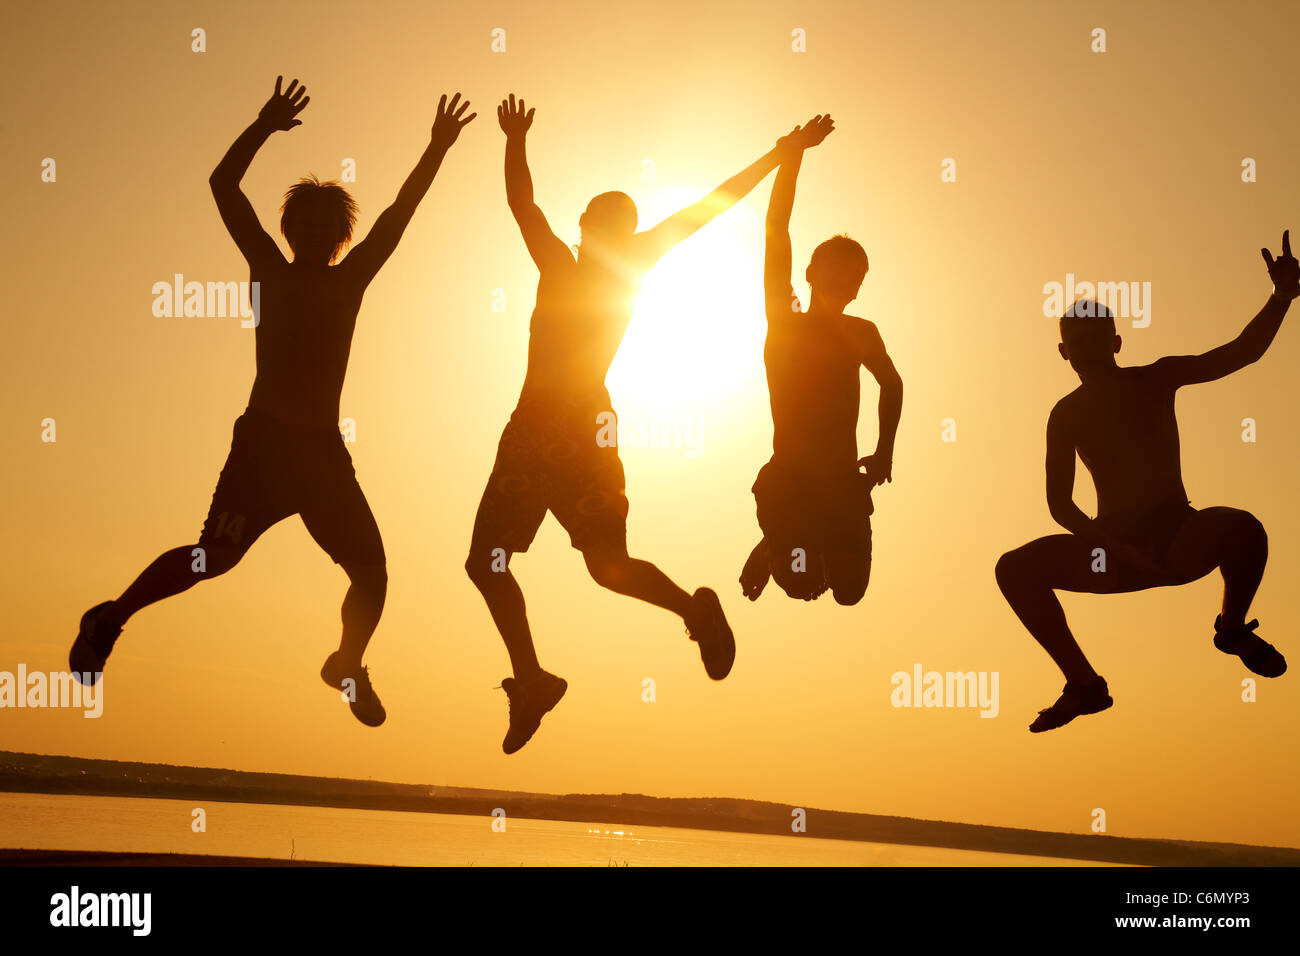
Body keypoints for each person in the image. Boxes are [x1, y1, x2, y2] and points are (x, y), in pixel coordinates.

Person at [70, 77, 476, 727]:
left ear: (341, 235)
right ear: (289, 229)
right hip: (263, 447)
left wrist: (438, 147)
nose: (315, 234)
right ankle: (108, 619)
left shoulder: (352, 280)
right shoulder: (268, 269)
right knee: (214, 559)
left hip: (320, 454)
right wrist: (262, 125)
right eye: (305, 224)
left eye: (326, 226)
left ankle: (346, 663)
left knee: (372, 574)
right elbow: (223, 188)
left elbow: (400, 213)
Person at [467, 94, 795, 754]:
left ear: (590, 229)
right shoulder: (625, 261)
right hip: (587, 428)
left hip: (541, 431)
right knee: (604, 565)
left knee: (488, 562)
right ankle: (688, 612)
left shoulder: (564, 264)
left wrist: (516, 139)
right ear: (594, 228)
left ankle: (533, 678)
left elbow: (524, 205)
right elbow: (710, 205)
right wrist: (779, 155)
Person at [996, 231, 1299, 732]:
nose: (1088, 349)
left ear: (1116, 342)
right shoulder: (1065, 415)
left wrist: (1281, 298)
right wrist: (1113, 545)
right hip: (1110, 553)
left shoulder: (1157, 378)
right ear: (1062, 351)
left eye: (1098, 338)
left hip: (1180, 538)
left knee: (1245, 527)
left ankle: (1234, 629)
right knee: (1014, 567)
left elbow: (1241, 352)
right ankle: (1084, 685)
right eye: (1078, 342)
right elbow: (1060, 505)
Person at [738, 115, 903, 606]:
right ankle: (776, 546)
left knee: (849, 593)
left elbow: (892, 385)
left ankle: (781, 542)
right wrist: (794, 156)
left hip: (840, 479)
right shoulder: (785, 320)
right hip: (789, 479)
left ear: (859, 287)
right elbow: (775, 228)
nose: (848, 279)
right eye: (838, 269)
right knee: (804, 584)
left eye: (857, 275)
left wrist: (884, 450)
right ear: (810, 273)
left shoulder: (861, 333)